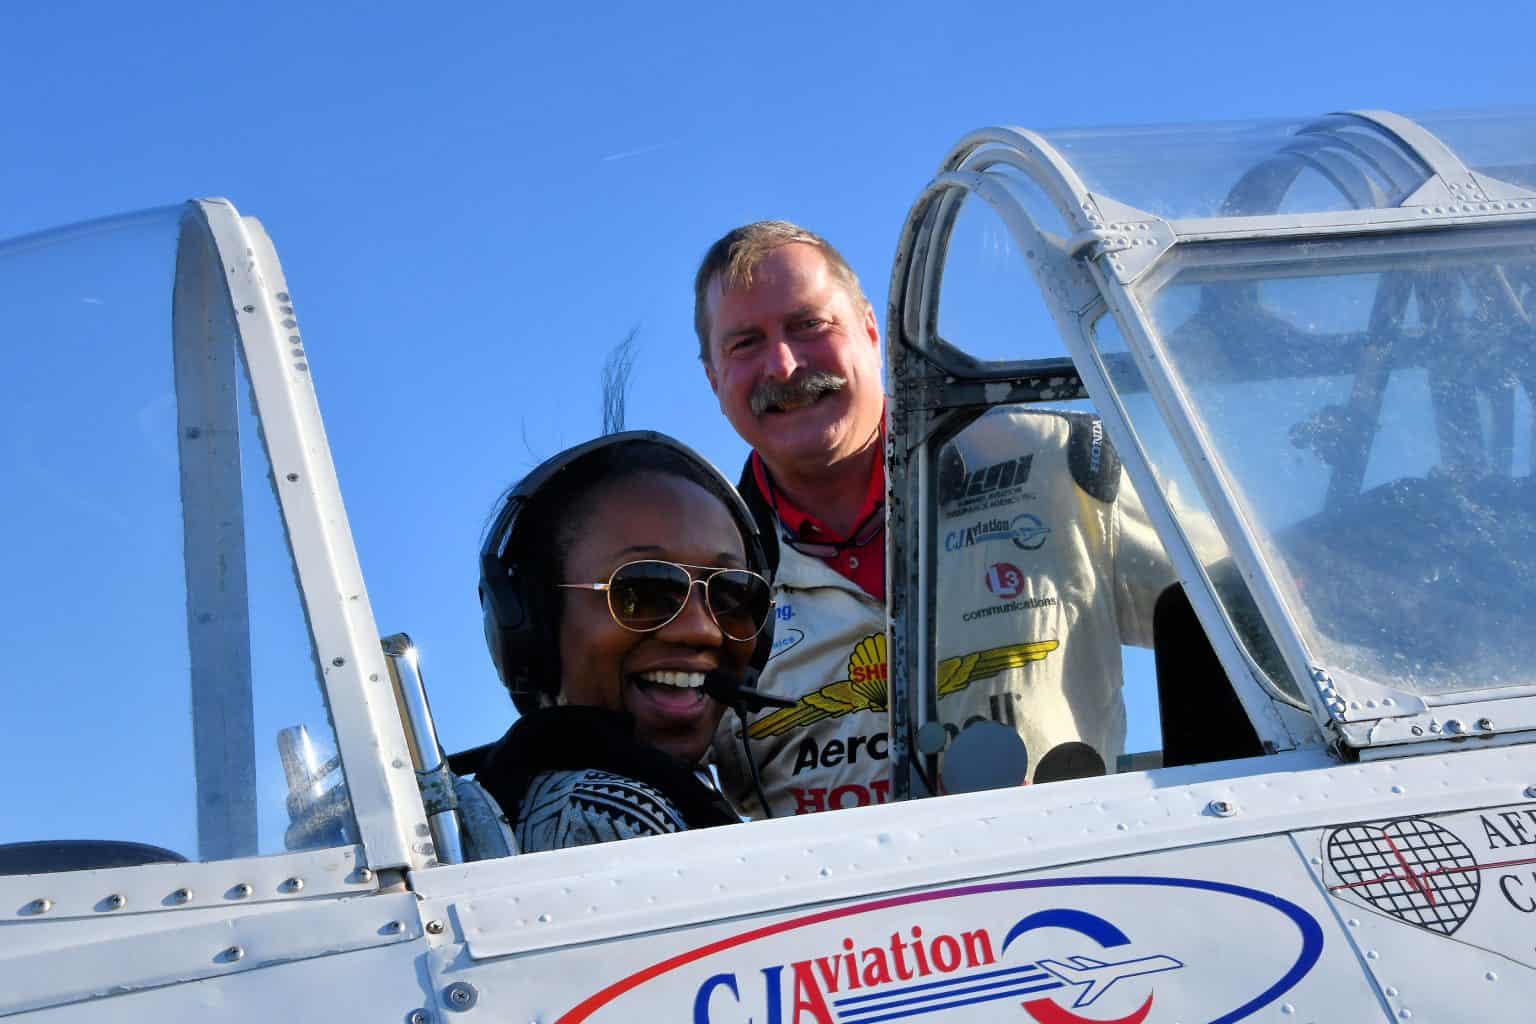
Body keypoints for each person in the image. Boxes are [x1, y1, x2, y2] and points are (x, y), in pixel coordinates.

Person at [694, 221, 1175, 818]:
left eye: (809, 325)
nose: (785, 365)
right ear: (713, 378)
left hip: (1071, 872)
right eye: (745, 343)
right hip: (837, 884)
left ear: (871, 329)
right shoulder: (700, 572)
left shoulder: (1055, 461)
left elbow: (1240, 621)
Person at [474, 431, 776, 851]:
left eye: (731, 595)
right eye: (643, 591)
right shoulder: (607, 818)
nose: (702, 629)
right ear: (533, 625)